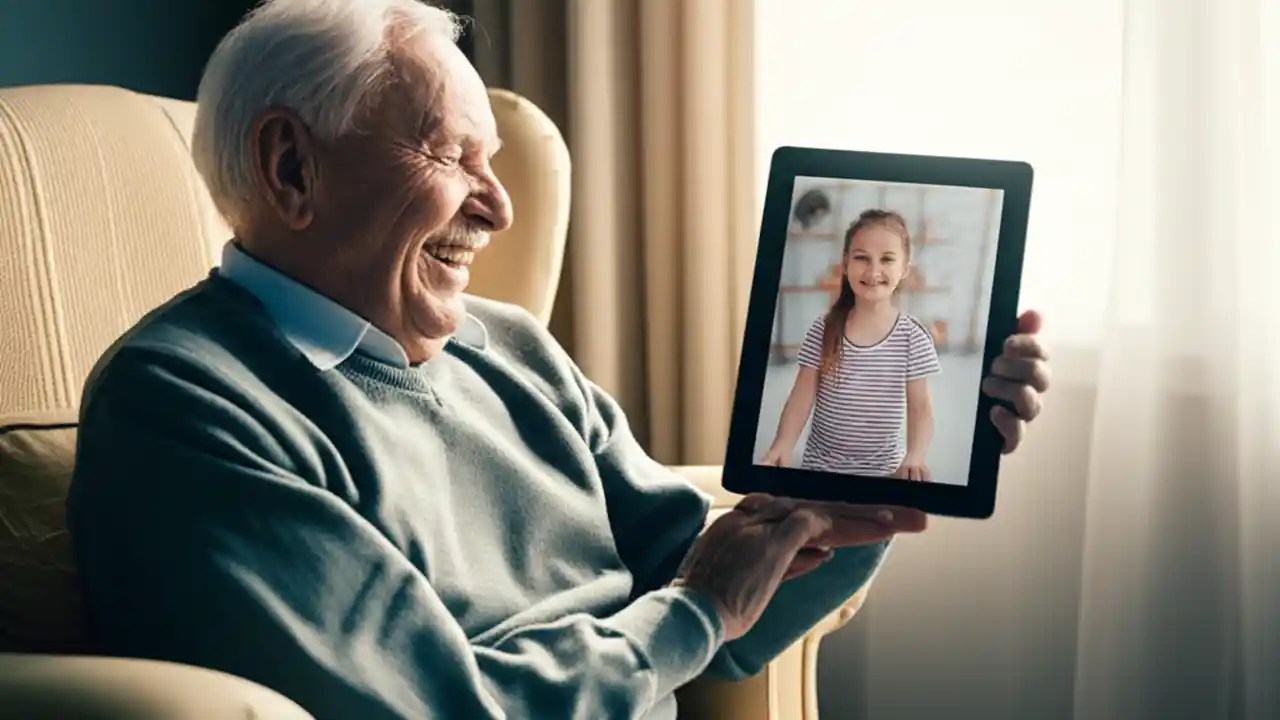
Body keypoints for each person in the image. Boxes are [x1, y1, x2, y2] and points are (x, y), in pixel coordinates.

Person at [64, 1, 1052, 719]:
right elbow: (443, 706)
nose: (496, 206)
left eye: (494, 163)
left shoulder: (512, 347)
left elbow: (716, 626)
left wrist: (855, 493)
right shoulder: (183, 404)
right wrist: (693, 609)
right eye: (453, 157)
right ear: (292, 169)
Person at [761, 209, 940, 480]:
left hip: (884, 475)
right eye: (861, 258)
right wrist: (782, 445)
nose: (874, 270)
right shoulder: (823, 329)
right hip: (819, 471)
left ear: (904, 268)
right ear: (845, 264)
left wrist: (914, 455)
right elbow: (801, 396)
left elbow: (920, 408)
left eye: (887, 259)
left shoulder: (913, 337)